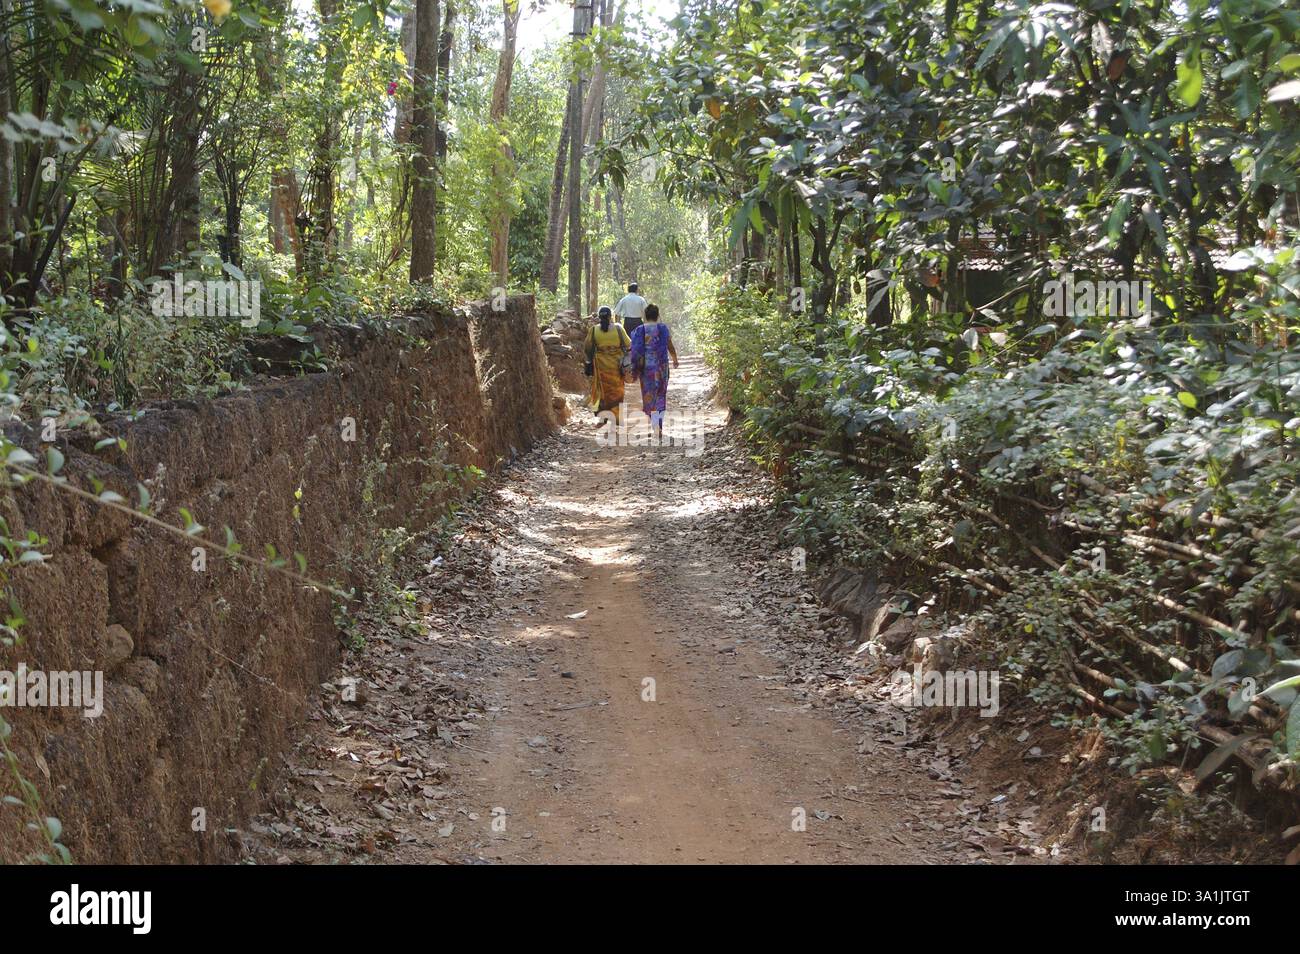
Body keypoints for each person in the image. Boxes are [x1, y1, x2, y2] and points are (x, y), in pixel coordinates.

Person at [628, 303, 679, 439]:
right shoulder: (662, 328)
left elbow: (635, 352)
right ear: (657, 315)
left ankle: (655, 424)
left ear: (645, 316)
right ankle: (659, 425)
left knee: (649, 396)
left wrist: (634, 369)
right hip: (662, 368)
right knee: (661, 395)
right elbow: (670, 345)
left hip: (646, 370)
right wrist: (674, 359)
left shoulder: (639, 330)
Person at [584, 305, 632, 424]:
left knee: (603, 391)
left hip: (601, 365)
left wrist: (589, 361)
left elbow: (587, 348)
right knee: (617, 391)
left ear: (599, 317)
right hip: (616, 365)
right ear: (611, 316)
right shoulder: (618, 328)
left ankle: (604, 417)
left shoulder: (594, 330)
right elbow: (628, 344)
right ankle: (616, 418)